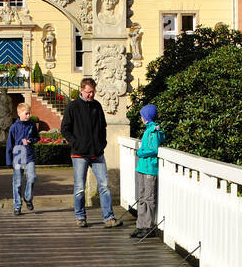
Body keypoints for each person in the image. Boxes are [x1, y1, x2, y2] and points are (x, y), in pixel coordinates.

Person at [60, 77, 121, 228]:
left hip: (97, 153)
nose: (91, 95)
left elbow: (103, 127)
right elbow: (65, 129)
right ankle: (80, 217)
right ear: (81, 90)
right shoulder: (72, 107)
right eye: (88, 92)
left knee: (104, 186)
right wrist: (75, 143)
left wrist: (102, 143)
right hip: (79, 153)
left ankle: (108, 218)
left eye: (93, 92)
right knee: (80, 188)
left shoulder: (97, 106)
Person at [132, 104, 165, 238]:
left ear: (146, 117)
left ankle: (148, 226)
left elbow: (153, 149)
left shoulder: (153, 131)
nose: (141, 118)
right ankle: (140, 225)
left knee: (148, 198)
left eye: (142, 116)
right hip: (142, 167)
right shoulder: (148, 130)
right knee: (141, 197)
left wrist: (140, 152)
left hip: (150, 168)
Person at [5, 102, 39, 215]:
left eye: (29, 113)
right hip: (18, 156)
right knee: (17, 182)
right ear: (19, 113)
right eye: (26, 113)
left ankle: (28, 198)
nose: (28, 116)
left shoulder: (32, 125)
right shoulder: (14, 127)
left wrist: (32, 140)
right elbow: (9, 144)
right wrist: (9, 161)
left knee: (32, 177)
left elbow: (37, 137)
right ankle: (17, 206)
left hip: (29, 155)